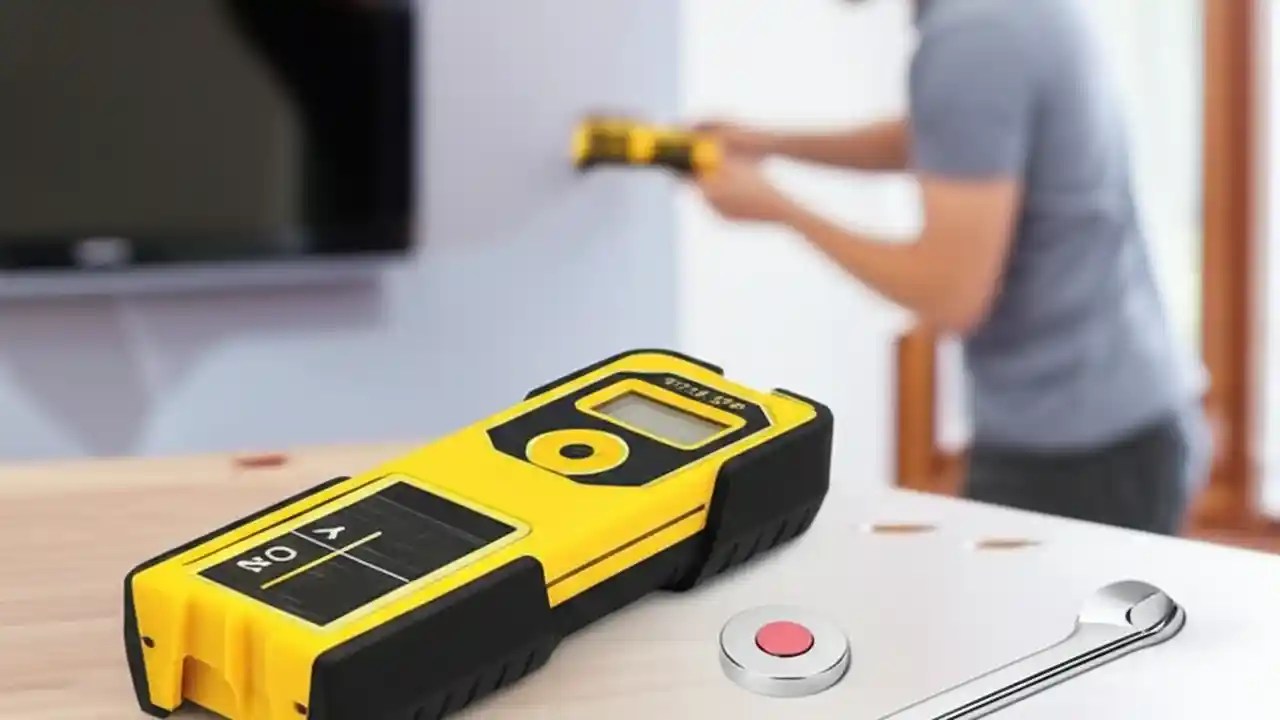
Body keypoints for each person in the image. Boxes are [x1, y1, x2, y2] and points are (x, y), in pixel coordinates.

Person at [688, 0, 1212, 535]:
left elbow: (951, 294)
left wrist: (779, 208)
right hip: (1116, 417)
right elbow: (958, 138)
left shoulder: (977, 37)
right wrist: (773, 144)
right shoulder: (997, 20)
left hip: (1079, 452)